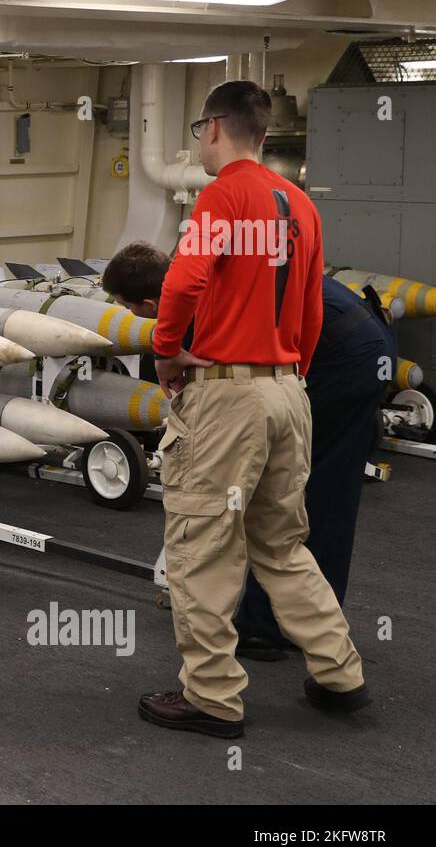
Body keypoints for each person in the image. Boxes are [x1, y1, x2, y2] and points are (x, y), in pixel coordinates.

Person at [139, 80, 369, 739]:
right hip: (286, 391)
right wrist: (288, 374)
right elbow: (312, 310)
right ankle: (338, 671)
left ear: (214, 127)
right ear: (263, 131)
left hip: (228, 396)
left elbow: (182, 279)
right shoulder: (301, 204)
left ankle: (212, 697)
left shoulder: (222, 194)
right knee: (281, 543)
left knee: (202, 546)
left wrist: (165, 350)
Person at [103, 243, 397, 662]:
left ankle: (270, 629)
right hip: (366, 343)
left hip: (339, 361)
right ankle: (310, 633)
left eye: (125, 306)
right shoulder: (205, 273)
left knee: (282, 506)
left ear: (150, 302)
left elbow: (218, 399)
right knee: (323, 493)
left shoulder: (187, 310)